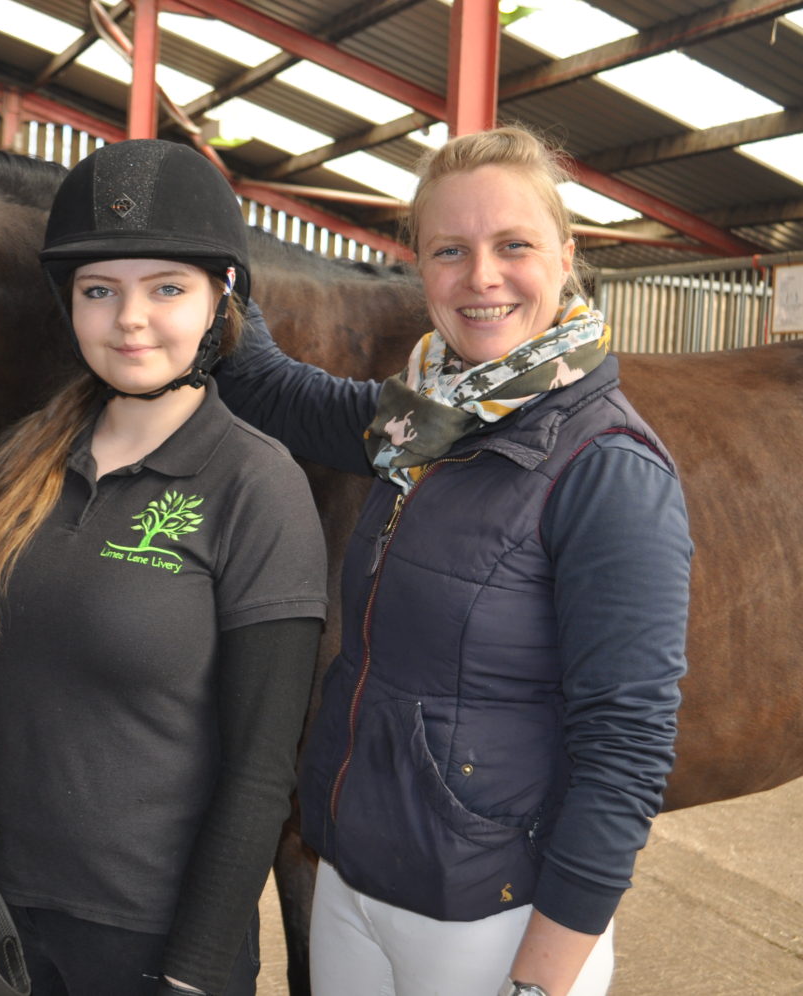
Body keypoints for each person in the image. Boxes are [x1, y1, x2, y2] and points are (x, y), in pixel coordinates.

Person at [215, 124, 693, 996]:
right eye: (450, 249)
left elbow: (626, 751)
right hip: (355, 882)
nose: (481, 277)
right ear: (420, 268)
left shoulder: (610, 467)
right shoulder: (422, 423)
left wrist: (539, 981)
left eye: (515, 245)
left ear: (566, 256)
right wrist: (210, 261)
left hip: (491, 922)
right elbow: (279, 390)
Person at [0, 138, 328, 996]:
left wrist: (197, 970)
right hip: (2, 922)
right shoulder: (15, 460)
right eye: (100, 291)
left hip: (150, 942)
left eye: (166, 288)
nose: (130, 319)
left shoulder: (258, 484)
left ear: (221, 298)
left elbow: (260, 769)